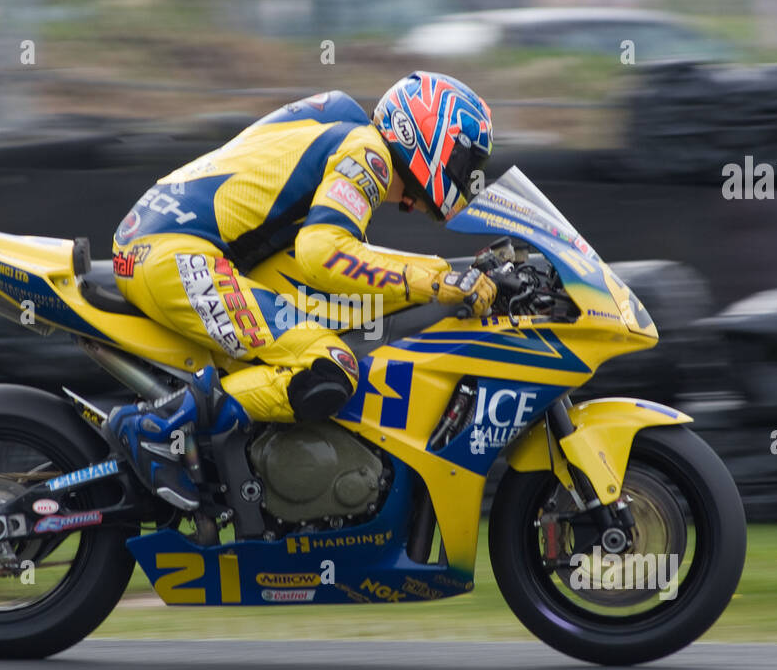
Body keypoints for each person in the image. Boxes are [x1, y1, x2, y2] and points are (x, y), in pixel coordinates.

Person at [106, 71, 496, 510]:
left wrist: (441, 275)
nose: (466, 176)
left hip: (169, 244)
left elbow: (340, 264)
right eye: (464, 161)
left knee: (312, 336)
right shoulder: (369, 155)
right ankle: (155, 427)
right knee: (329, 365)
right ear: (430, 133)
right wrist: (438, 279)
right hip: (176, 254)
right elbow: (322, 252)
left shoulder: (343, 132)